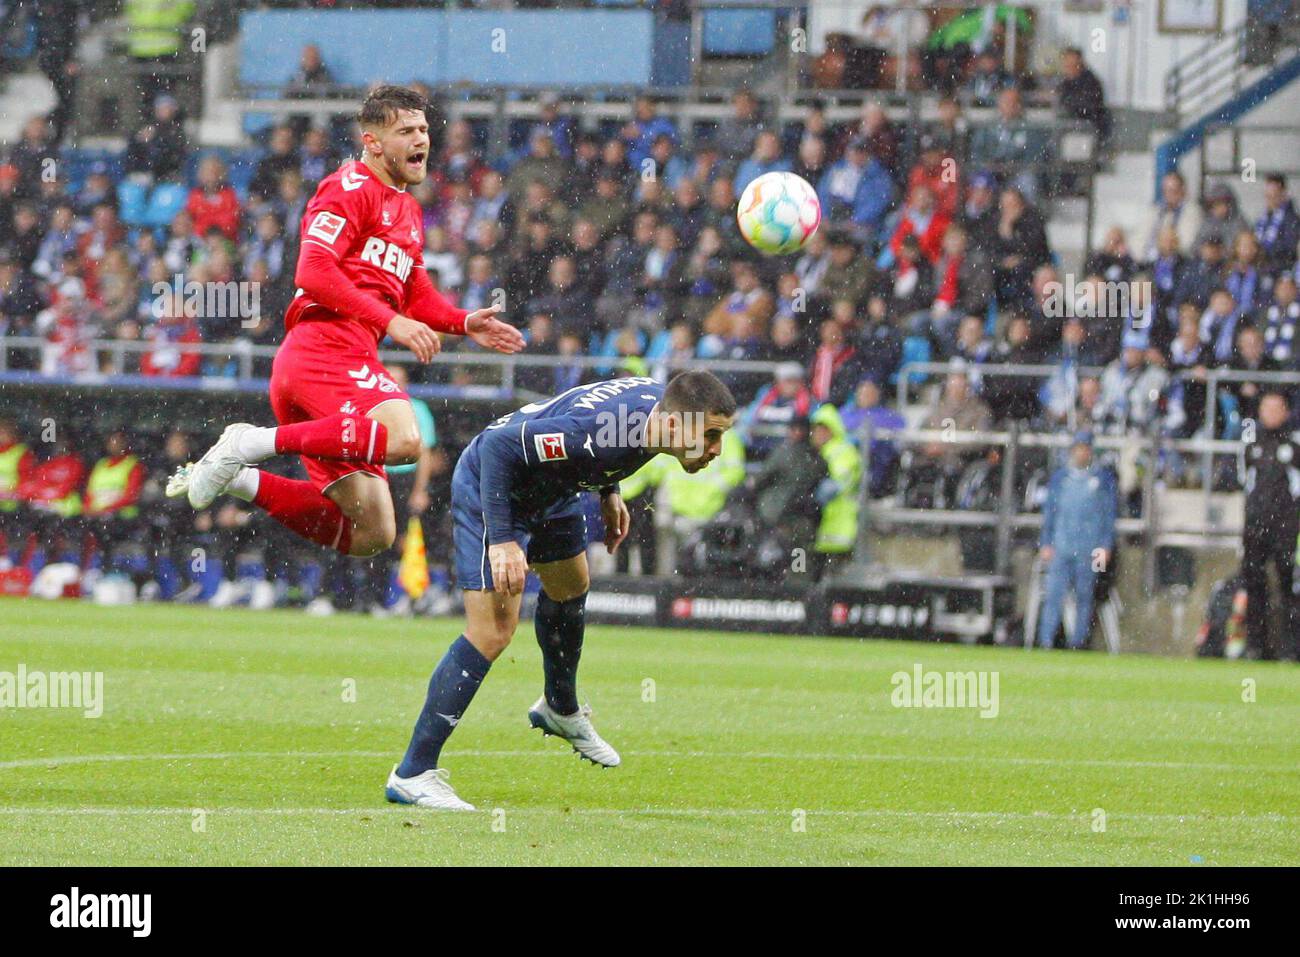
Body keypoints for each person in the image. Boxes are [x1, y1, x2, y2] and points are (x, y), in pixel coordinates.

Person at [168, 86, 524, 562]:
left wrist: (463, 323)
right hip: (322, 349)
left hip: (343, 361)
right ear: (373, 141)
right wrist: (390, 321)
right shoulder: (350, 187)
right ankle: (251, 442)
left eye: (423, 129)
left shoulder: (408, 211)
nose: (421, 139)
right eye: (406, 131)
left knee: (373, 531)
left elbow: (416, 292)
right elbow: (311, 270)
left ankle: (242, 478)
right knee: (405, 439)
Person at [387, 371, 737, 810]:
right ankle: (412, 773)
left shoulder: (654, 406)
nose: (716, 450)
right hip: (493, 485)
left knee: (571, 586)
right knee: (493, 631)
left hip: (554, 488)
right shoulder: (597, 434)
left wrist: (609, 490)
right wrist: (502, 540)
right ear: (672, 424)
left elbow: (592, 415)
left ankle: (560, 708)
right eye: (710, 435)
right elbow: (501, 447)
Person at [1036, 431, 1117, 650]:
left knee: (1084, 596)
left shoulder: (1101, 480)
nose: (1082, 452)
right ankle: (1045, 641)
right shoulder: (1060, 478)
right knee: (1053, 595)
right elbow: (1050, 513)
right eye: (1078, 448)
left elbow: (1108, 516)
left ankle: (1079, 642)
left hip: (1089, 548)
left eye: (1085, 448)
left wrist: (1105, 546)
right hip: (1062, 545)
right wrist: (1046, 543)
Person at [1241, 391, 1300, 660]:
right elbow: (1245, 483)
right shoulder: (1252, 444)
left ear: (1286, 412)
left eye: (1276, 408)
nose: (1270, 413)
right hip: (1256, 527)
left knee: (1290, 587)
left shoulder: (1295, 444)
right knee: (1254, 584)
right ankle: (1256, 645)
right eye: (1266, 408)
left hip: (1287, 528)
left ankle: (1292, 649)